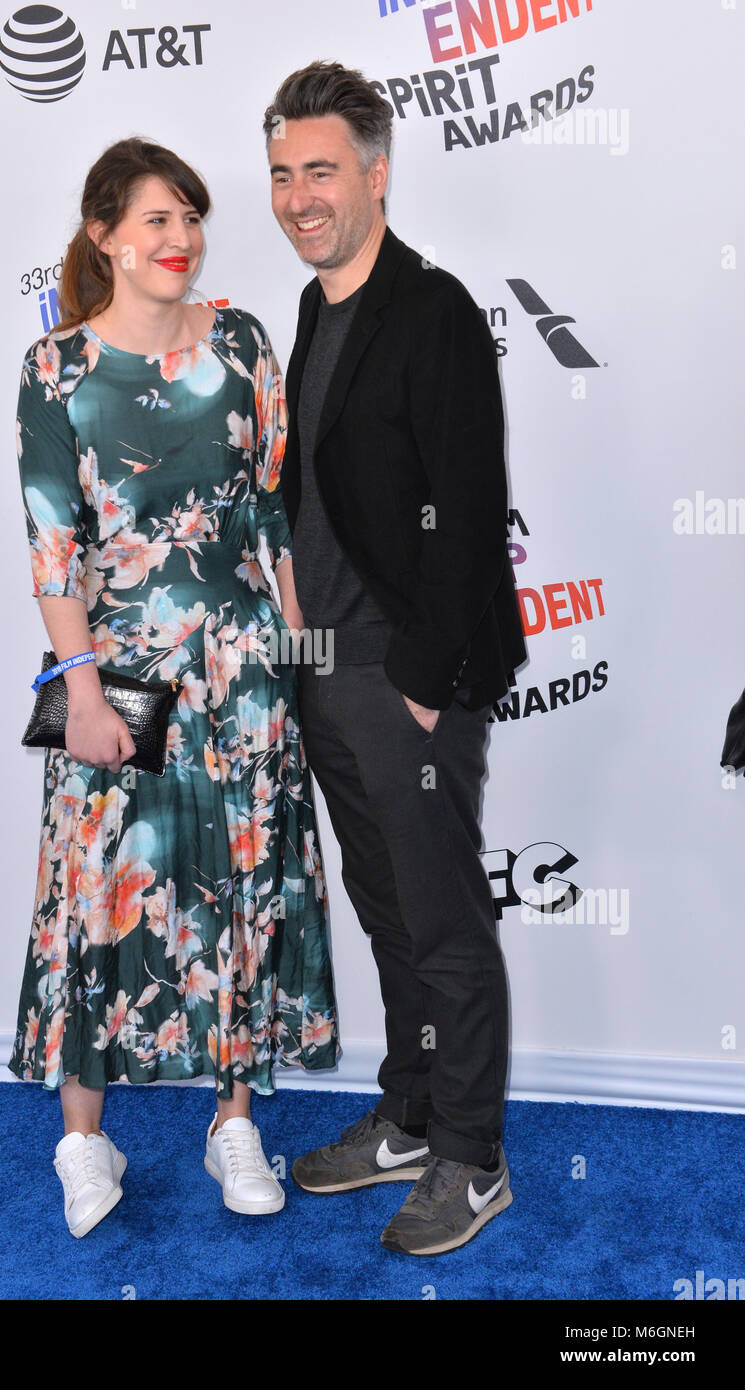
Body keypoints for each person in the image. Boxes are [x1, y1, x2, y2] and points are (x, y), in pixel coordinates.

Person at [8, 136, 338, 1237]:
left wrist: (299, 665)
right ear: (104, 234)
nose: (178, 240)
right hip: (119, 680)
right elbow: (55, 550)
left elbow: (273, 515)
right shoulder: (55, 368)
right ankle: (82, 1141)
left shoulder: (243, 341)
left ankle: (233, 1121)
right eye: (153, 219)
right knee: (101, 897)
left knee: (241, 894)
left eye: (188, 218)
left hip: (245, 676)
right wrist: (83, 690)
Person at [262, 62, 527, 1256]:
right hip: (325, 670)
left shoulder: (434, 311)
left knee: (441, 921)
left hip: (404, 680)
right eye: (280, 174)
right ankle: (412, 1113)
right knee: (383, 916)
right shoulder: (313, 310)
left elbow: (470, 515)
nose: (297, 196)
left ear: (375, 173)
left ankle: (470, 1156)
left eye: (319, 170)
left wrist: (422, 681)